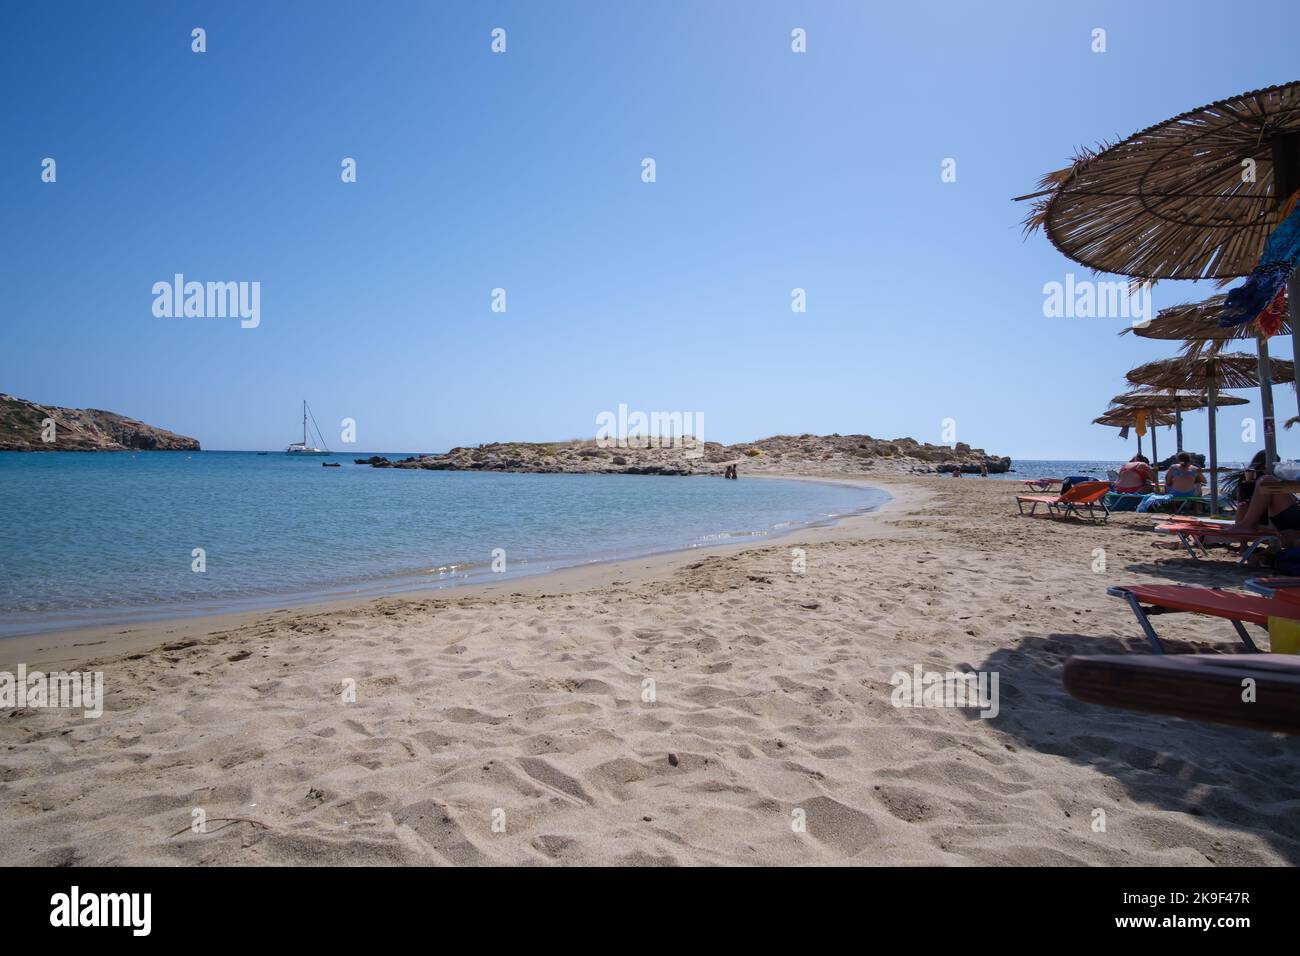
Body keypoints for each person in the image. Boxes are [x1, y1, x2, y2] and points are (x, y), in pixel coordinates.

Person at [1232, 452, 1300, 532]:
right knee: (1243, 505)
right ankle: (1244, 537)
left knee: (1267, 481)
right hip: (1268, 516)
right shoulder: (1248, 479)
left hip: (1278, 518)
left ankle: (1246, 525)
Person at [1135, 452, 1204, 512]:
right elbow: (1204, 481)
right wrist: (1193, 480)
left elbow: (1167, 481)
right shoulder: (1195, 469)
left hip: (1175, 494)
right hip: (1190, 494)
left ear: (1178, 459)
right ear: (1189, 459)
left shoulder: (1173, 467)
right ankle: (1197, 508)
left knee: (1167, 485)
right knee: (1198, 484)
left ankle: (1173, 507)